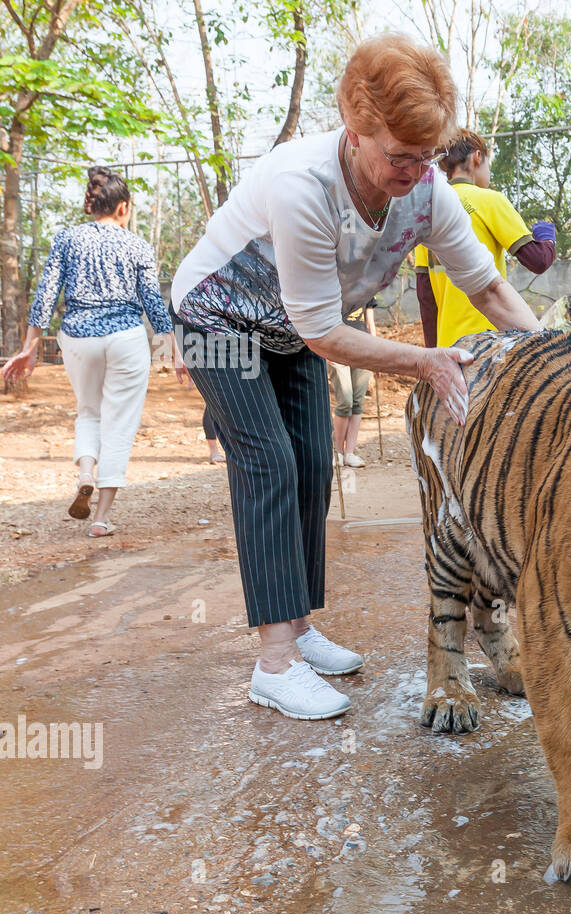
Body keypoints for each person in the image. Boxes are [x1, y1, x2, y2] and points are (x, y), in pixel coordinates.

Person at [169, 33, 539, 722]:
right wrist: (425, 360)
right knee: (269, 464)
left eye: (424, 157)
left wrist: (553, 361)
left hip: (292, 323)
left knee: (314, 462)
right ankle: (274, 663)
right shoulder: (303, 185)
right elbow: (320, 332)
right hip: (217, 318)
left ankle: (299, 629)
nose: (412, 171)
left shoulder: (426, 192)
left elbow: (488, 289)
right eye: (398, 156)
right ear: (355, 127)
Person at [2, 166, 179, 537]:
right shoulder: (137, 245)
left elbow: (45, 296)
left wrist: (29, 347)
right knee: (120, 424)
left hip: (79, 337)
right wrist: (174, 349)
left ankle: (86, 471)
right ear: (123, 208)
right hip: (126, 338)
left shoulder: (67, 239)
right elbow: (153, 303)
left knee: (88, 412)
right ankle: (100, 518)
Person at [424, 128, 556, 347]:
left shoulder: (427, 209)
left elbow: (426, 296)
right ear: (477, 157)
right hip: (488, 347)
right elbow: (538, 260)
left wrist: (433, 353)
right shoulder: (489, 200)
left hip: (449, 347)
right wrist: (548, 237)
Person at [330, 298, 376, 468]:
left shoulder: (368, 287)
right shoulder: (333, 284)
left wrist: (376, 351)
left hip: (364, 348)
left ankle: (350, 452)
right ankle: (338, 452)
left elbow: (370, 323)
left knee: (357, 403)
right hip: (338, 347)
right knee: (345, 401)